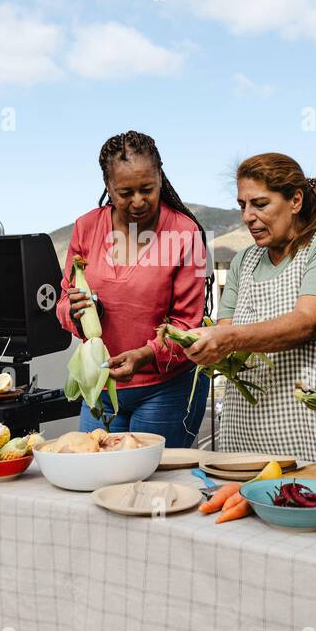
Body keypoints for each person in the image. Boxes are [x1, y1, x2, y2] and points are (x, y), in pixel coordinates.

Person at [183, 153, 316, 462]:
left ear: (295, 200)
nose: (247, 216)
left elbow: (308, 321)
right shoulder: (243, 262)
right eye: (242, 206)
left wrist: (226, 339)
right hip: (243, 440)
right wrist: (199, 344)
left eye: (260, 204)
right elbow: (225, 334)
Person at [55, 131, 211, 445]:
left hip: (166, 388)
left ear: (160, 178)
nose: (138, 202)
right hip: (100, 386)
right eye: (125, 192)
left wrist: (144, 355)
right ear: (108, 186)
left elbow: (188, 324)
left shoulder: (185, 232)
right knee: (94, 478)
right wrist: (77, 312)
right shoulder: (86, 228)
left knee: (153, 488)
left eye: (147, 189)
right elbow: (63, 303)